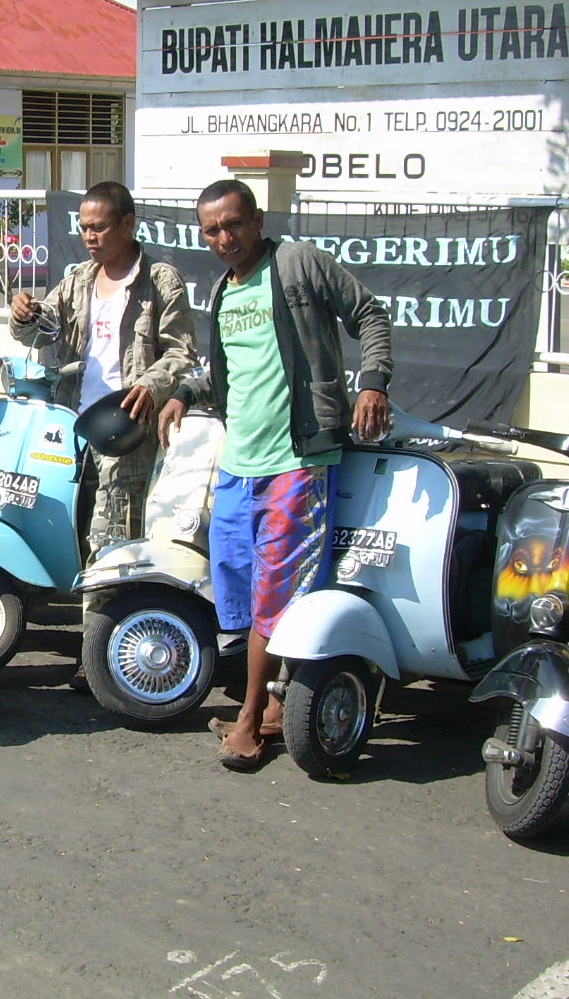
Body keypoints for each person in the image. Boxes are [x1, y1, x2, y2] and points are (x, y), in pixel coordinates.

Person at [159, 178, 392, 771]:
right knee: (234, 583)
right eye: (211, 229)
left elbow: (369, 313)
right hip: (239, 463)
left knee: (273, 593)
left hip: (297, 459)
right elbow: (226, 369)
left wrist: (372, 381)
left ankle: (250, 721)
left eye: (233, 224)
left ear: (257, 219)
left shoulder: (297, 265)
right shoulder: (224, 289)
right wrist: (185, 392)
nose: (224, 238)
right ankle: (266, 701)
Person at [8, 180, 196, 688]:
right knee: (75, 533)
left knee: (111, 540)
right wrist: (23, 313)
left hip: (127, 432)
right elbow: (38, 329)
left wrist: (152, 385)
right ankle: (99, 654)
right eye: (84, 228)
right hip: (74, 428)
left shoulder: (160, 281)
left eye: (100, 227)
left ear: (128, 224)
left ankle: (100, 663)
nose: (89, 236)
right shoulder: (78, 280)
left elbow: (181, 353)